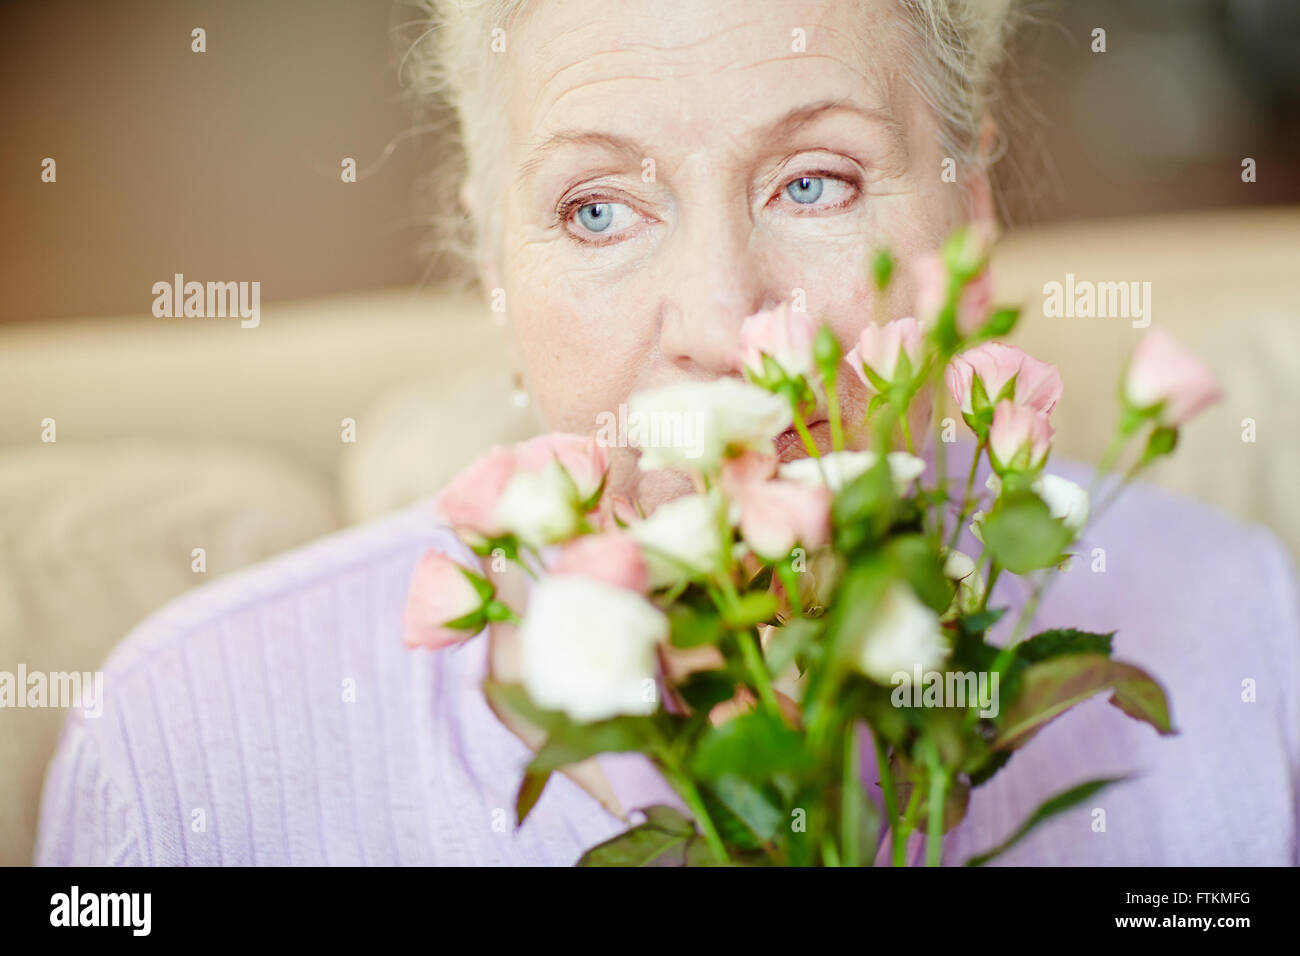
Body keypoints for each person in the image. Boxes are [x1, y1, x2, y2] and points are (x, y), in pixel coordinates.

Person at [35, 0, 1299, 866]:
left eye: (816, 180)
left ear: (962, 222)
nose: (717, 316)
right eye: (597, 210)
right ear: (490, 261)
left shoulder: (1246, 629)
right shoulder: (182, 749)